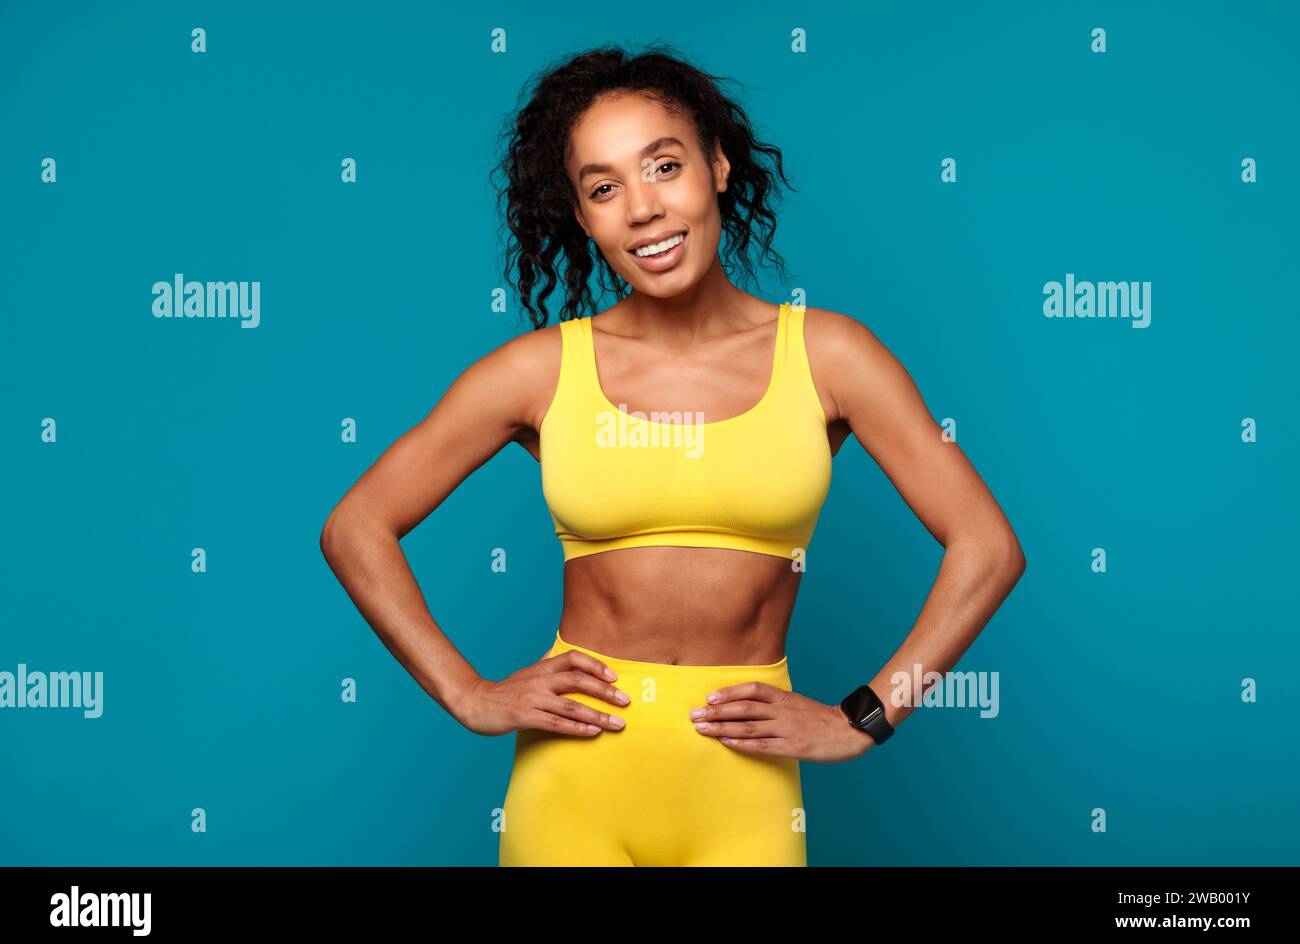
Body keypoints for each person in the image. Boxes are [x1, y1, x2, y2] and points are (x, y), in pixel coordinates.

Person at [319, 45, 1026, 866]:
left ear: (718, 166)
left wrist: (867, 715)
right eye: (604, 187)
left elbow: (988, 547)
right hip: (574, 785)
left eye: (664, 165)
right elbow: (357, 524)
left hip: (745, 787)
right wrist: (468, 694)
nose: (643, 208)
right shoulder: (540, 370)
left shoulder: (831, 356)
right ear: (583, 218)